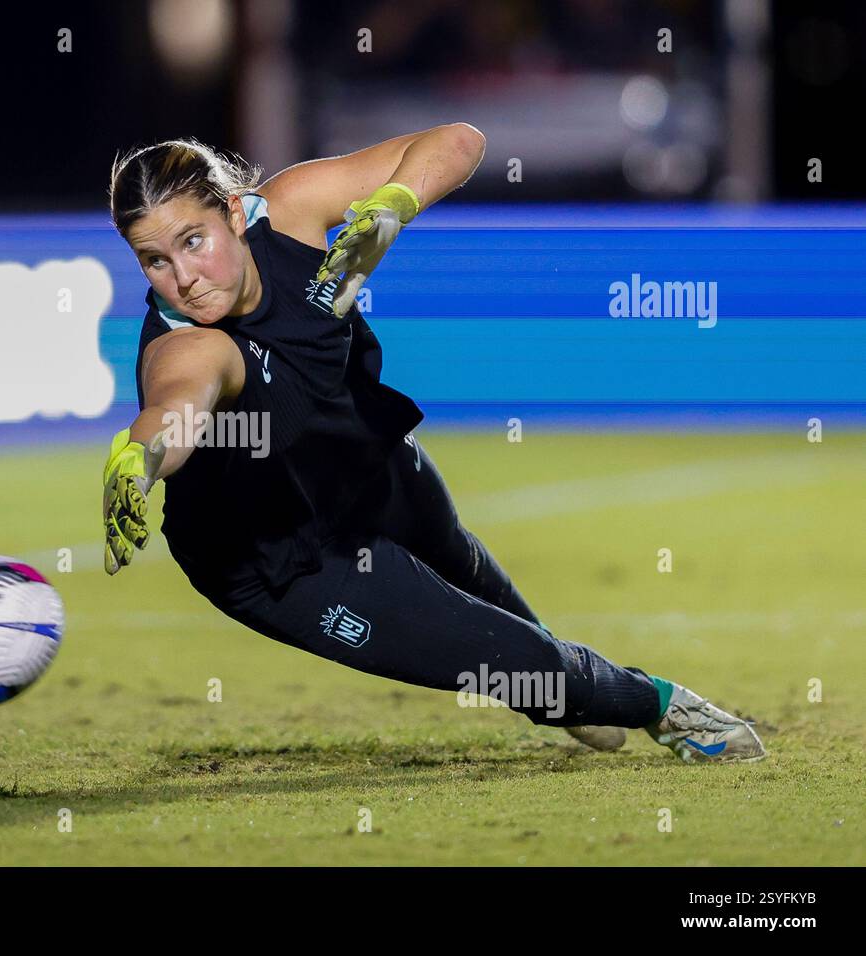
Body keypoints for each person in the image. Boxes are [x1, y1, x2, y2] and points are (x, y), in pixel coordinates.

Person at [101, 128, 765, 763]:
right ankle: (660, 705)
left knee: (472, 570)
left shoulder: (293, 209)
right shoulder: (190, 343)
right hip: (282, 559)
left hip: (364, 460)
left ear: (236, 215)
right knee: (509, 663)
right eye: (155, 260)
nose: (182, 277)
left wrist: (392, 208)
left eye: (194, 241)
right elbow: (174, 412)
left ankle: (561, 692)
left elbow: (459, 141)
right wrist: (139, 462)